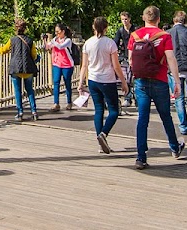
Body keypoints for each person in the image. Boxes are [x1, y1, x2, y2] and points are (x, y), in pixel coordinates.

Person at [129, 6, 184, 169]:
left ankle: (141, 156)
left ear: (143, 18)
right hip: (160, 80)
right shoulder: (164, 36)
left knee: (142, 119)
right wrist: (177, 81)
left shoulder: (134, 35)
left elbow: (131, 60)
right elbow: (171, 58)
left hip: (141, 81)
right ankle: (174, 147)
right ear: (158, 19)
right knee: (165, 116)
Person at [76, 16, 127, 154]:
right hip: (107, 80)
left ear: (93, 27)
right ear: (106, 28)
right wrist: (123, 82)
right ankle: (103, 134)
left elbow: (84, 65)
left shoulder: (88, 43)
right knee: (114, 110)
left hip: (93, 80)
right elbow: (116, 66)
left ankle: (100, 141)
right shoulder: (110, 43)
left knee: (98, 110)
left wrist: (81, 82)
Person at [0, 20, 39, 122]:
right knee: (30, 90)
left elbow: (3, 50)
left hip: (15, 68)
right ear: (25, 29)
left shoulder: (12, 40)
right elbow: (34, 56)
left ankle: (20, 113)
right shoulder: (30, 41)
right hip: (28, 69)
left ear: (15, 28)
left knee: (17, 91)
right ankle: (34, 112)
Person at [44, 23, 76, 112]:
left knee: (67, 83)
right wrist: (45, 40)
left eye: (58, 32)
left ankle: (69, 102)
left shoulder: (68, 41)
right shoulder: (55, 39)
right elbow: (47, 47)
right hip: (57, 64)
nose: (56, 34)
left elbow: (60, 46)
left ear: (63, 32)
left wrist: (54, 42)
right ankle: (56, 103)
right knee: (56, 82)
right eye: (55, 32)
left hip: (67, 65)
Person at [115, 12, 135, 107]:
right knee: (127, 77)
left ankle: (135, 97)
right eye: (122, 19)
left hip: (135, 54)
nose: (124, 21)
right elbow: (116, 42)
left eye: (126, 19)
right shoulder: (120, 30)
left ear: (129, 19)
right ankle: (127, 97)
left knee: (134, 77)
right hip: (125, 55)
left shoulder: (135, 29)